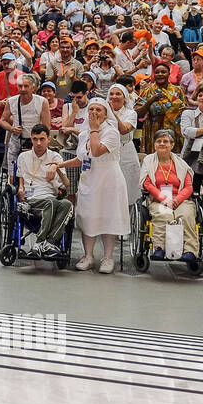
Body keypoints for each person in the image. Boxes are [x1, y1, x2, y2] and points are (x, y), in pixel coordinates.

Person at [54, 97, 128, 273]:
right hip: (89, 180)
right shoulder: (84, 133)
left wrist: (94, 130)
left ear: (105, 113)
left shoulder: (111, 132)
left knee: (108, 217)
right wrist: (60, 164)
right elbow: (82, 158)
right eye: (91, 109)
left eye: (98, 110)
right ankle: (88, 256)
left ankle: (108, 258)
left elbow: (96, 151)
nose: (94, 112)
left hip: (109, 180)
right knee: (87, 216)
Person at [139, 130, 199, 264]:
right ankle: (159, 247)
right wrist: (163, 198)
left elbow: (189, 187)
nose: (162, 144)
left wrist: (177, 200)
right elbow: (147, 183)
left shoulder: (181, 164)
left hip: (180, 200)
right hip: (158, 199)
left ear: (172, 145)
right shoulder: (149, 161)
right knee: (163, 215)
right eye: (158, 141)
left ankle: (190, 251)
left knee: (186, 216)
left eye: (165, 141)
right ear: (154, 145)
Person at [13, 123, 72, 257]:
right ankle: (41, 242)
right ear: (31, 139)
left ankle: (47, 243)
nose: (38, 143)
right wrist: (20, 189)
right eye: (35, 139)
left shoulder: (55, 157)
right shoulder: (24, 157)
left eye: (42, 139)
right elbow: (20, 180)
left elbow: (66, 184)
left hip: (51, 195)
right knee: (51, 202)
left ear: (49, 139)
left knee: (67, 205)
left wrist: (57, 168)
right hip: (32, 198)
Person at [106, 83, 142, 205]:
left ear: (125, 97)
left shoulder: (131, 113)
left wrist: (112, 114)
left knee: (128, 184)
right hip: (107, 151)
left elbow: (124, 130)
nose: (114, 96)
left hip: (126, 150)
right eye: (111, 94)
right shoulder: (102, 112)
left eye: (118, 94)